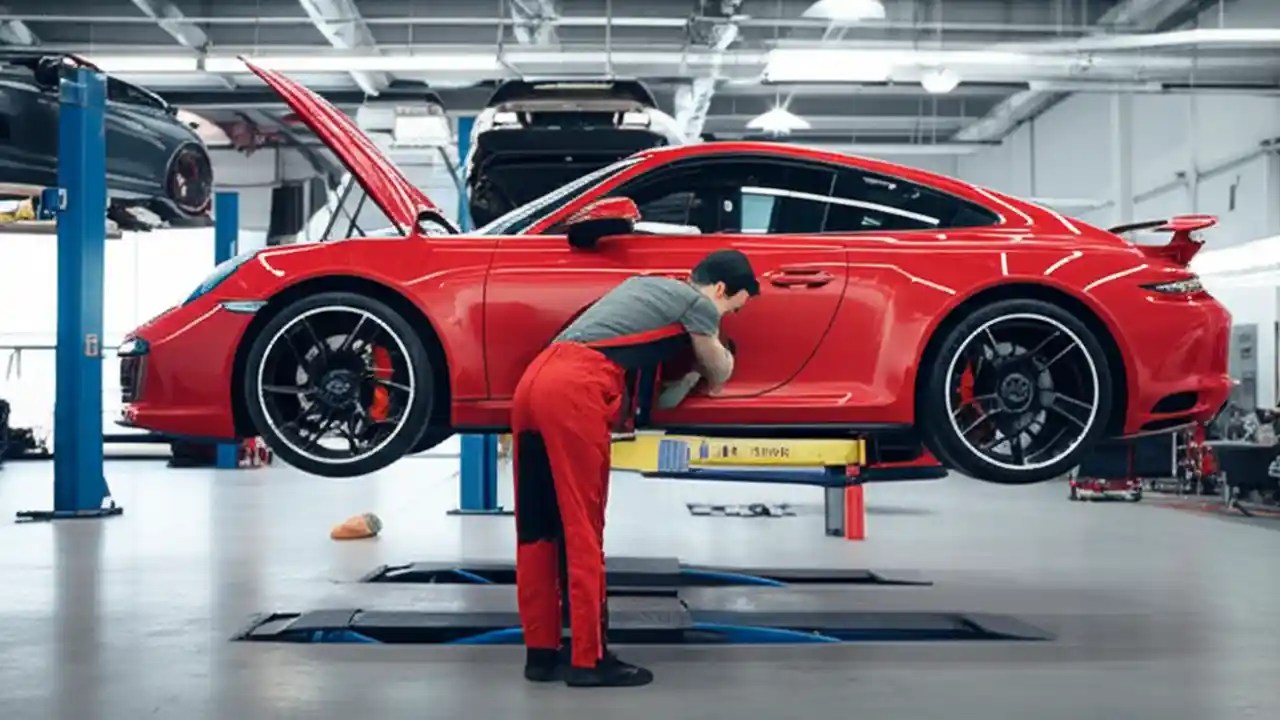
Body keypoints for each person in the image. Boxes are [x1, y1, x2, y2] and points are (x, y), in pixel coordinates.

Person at [512, 249, 758, 687]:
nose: (727, 316)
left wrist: (681, 378)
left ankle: (541, 655)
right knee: (582, 529)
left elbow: (658, 393)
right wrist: (723, 353)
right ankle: (590, 661)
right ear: (720, 288)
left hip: (533, 382)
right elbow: (718, 371)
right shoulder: (697, 304)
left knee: (537, 529)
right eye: (734, 307)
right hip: (575, 389)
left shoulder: (646, 289)